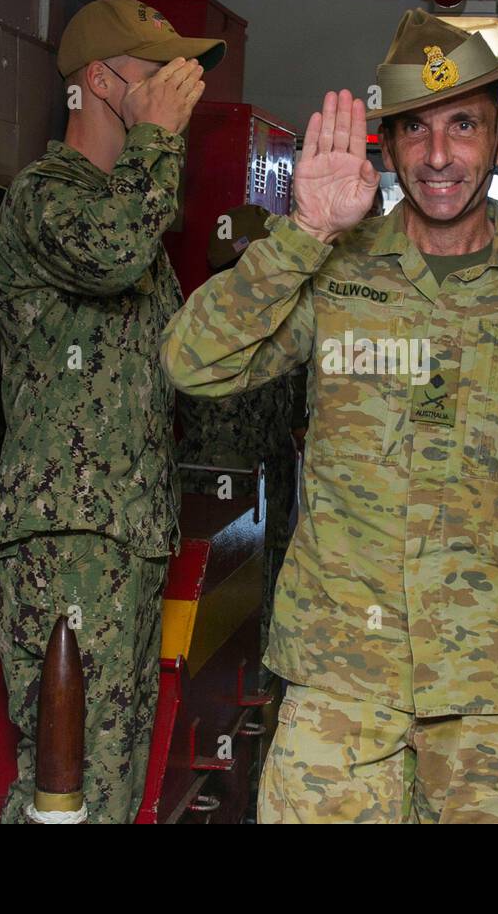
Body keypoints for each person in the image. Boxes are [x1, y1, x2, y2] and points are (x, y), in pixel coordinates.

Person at [161, 9, 498, 823]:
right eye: (413, 129)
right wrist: (304, 231)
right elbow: (193, 361)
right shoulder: (335, 272)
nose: (438, 155)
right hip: (341, 678)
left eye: (463, 126)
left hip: (492, 685)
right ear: (386, 146)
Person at [0, 0, 223, 823]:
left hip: (126, 533)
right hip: (66, 537)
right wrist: (159, 138)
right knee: (61, 780)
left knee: (114, 785)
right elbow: (115, 250)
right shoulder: (44, 197)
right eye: (157, 75)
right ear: (98, 81)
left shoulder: (134, 202)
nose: (176, 92)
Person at [176, 204, 306, 665]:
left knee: (260, 583)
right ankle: (233, 682)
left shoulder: (282, 314)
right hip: (217, 481)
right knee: (217, 592)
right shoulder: (212, 319)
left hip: (265, 478)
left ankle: (253, 680)